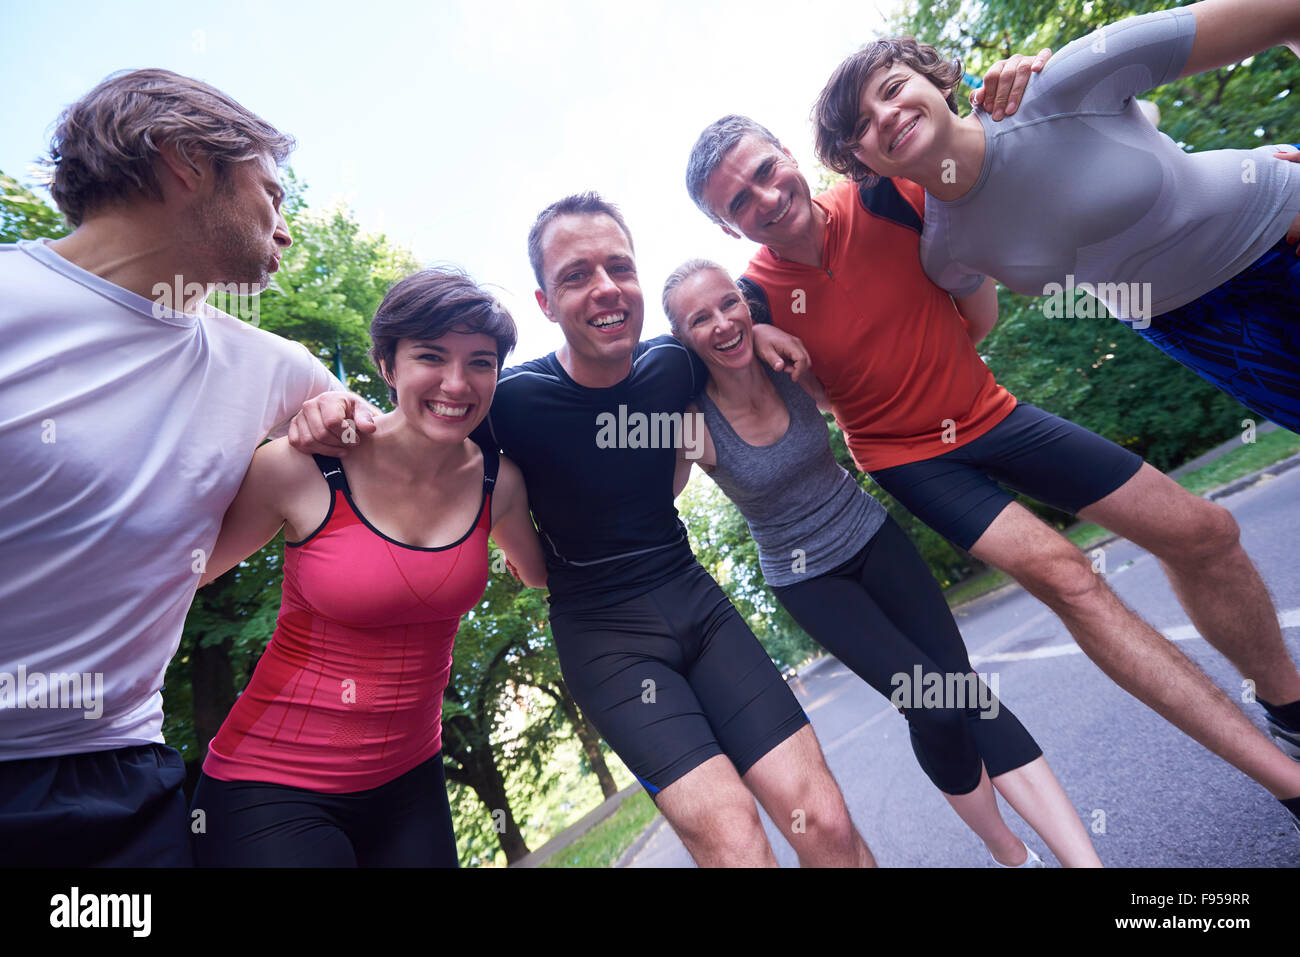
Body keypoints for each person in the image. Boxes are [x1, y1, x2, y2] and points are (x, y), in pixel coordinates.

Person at [685, 111, 1300, 835]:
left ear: (788, 154)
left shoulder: (889, 192)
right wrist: (752, 328)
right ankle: (1289, 783)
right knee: (1071, 574)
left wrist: (1027, 80)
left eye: (763, 171)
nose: (762, 197)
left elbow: (1019, 163)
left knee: (1206, 530)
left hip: (996, 413)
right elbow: (697, 360)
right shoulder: (746, 300)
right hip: (911, 459)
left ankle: (1287, 713)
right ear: (728, 228)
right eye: (737, 203)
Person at [290, 193, 877, 867]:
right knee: (736, 839)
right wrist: (339, 408)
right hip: (605, 641)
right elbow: (419, 425)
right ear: (545, 302)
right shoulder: (508, 402)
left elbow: (728, 337)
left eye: (619, 267)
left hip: (696, 603)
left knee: (826, 821)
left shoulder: (673, 365)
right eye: (576, 275)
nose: (606, 288)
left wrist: (764, 333)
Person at [0, 69, 356, 866]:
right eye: (273, 193)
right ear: (187, 159)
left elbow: (400, 456)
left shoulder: (273, 367)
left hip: (123, 784)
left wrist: (327, 428)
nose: (287, 230)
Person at [663, 259, 1102, 866]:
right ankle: (1006, 848)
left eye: (728, 305)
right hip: (810, 580)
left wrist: (765, 330)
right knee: (933, 703)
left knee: (964, 689)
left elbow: (856, 361)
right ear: (682, 339)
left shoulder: (787, 360)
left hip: (872, 538)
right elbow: (653, 495)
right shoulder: (691, 422)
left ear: (744, 304)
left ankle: (1086, 862)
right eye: (698, 320)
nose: (721, 323)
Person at [188, 268, 546, 867]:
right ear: (388, 363)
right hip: (271, 785)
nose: (457, 383)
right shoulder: (304, 467)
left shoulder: (497, 484)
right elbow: (178, 577)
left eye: (480, 362)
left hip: (412, 782)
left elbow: (545, 572)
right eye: (431, 356)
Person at [811, 0, 1300, 432]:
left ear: (936, 80)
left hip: (1281, 229)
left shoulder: (1061, 81)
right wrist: (832, 392)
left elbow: (1284, 11)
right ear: (863, 164)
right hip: (1198, 333)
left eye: (892, 88)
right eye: (861, 126)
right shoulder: (945, 253)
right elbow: (950, 340)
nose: (886, 115)